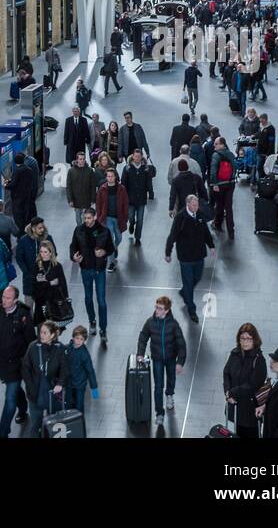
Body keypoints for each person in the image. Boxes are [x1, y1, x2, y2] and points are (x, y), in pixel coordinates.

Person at [0, 287, 36, 437]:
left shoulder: (23, 315)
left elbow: (31, 341)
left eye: (8, 298)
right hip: (2, 362)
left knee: (10, 399)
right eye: (3, 297)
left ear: (15, 300)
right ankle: (23, 408)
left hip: (17, 364)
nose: (4, 300)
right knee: (15, 390)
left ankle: (3, 432)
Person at [164, 192, 215, 323]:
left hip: (199, 254)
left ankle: (184, 292)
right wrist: (168, 252)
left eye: (197, 204)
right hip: (185, 257)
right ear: (188, 204)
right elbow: (172, 235)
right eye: (194, 204)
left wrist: (211, 246)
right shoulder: (180, 217)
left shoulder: (200, 215)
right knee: (188, 282)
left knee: (197, 277)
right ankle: (191, 310)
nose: (196, 207)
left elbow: (205, 231)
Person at [136, 296, 187, 426]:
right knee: (158, 386)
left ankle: (169, 394)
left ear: (167, 310)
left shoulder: (173, 325)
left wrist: (180, 362)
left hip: (171, 358)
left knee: (171, 379)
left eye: (160, 308)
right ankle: (159, 413)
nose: (157, 310)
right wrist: (140, 354)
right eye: (156, 307)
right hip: (157, 359)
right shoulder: (150, 322)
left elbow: (181, 344)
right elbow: (143, 337)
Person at [69, 207, 113, 346]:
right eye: (85, 218)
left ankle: (103, 329)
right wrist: (74, 257)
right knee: (88, 297)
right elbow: (73, 247)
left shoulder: (104, 231)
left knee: (101, 301)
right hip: (86, 269)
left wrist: (104, 252)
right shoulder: (79, 230)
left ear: (95, 217)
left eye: (89, 218)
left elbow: (111, 248)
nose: (86, 221)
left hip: (99, 270)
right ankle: (92, 320)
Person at [21, 319, 67, 435]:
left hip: (53, 393)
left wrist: (60, 383)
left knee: (54, 424)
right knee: (35, 423)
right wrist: (30, 387)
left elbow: (64, 369)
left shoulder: (60, 348)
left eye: (45, 332)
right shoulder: (33, 347)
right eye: (41, 332)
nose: (41, 335)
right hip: (35, 392)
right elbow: (25, 369)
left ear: (52, 335)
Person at [223, 323, 268, 437]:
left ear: (255, 340)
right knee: (237, 432)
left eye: (249, 338)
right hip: (236, 405)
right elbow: (226, 373)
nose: (245, 342)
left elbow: (253, 384)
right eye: (242, 338)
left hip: (250, 410)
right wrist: (227, 391)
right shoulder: (235, 353)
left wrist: (233, 392)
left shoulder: (259, 360)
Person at [94, 167, 128, 271]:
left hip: (118, 218)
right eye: (108, 176)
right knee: (111, 239)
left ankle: (112, 249)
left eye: (111, 176)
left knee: (119, 238)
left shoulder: (121, 189)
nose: (110, 178)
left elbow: (125, 204)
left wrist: (125, 217)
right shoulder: (102, 189)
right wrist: (99, 217)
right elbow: (98, 203)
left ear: (115, 177)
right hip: (107, 218)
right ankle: (111, 263)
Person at [31, 239, 70, 327]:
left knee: (53, 330)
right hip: (40, 302)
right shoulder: (36, 266)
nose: (43, 254)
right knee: (41, 329)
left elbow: (62, 284)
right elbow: (34, 285)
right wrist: (50, 283)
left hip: (54, 303)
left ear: (51, 252)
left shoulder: (57, 266)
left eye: (45, 252)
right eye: (41, 252)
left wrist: (65, 299)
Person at [121, 148, 154, 246]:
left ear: (141, 157)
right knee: (131, 217)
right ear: (133, 156)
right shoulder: (127, 168)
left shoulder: (146, 169)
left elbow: (149, 182)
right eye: (135, 156)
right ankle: (131, 224)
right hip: (130, 199)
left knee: (140, 219)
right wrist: (123, 195)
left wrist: (151, 193)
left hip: (141, 199)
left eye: (139, 157)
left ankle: (138, 237)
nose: (137, 158)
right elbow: (123, 183)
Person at [64, 324, 99, 414]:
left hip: (80, 384)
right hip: (69, 382)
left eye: (81, 339)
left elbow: (90, 370)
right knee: (67, 404)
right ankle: (69, 421)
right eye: (77, 338)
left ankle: (80, 422)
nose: (79, 341)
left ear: (84, 340)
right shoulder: (68, 348)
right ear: (73, 338)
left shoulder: (84, 354)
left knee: (79, 405)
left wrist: (94, 387)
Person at [209, 135, 238, 239]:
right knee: (229, 208)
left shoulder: (216, 155)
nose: (214, 145)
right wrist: (232, 179)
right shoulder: (230, 154)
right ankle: (231, 231)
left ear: (222, 144)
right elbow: (236, 166)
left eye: (216, 144)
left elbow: (213, 171)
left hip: (219, 184)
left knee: (220, 205)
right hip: (230, 184)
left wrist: (215, 184)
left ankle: (218, 224)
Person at [15, 217, 50, 300]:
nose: (42, 230)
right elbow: (19, 258)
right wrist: (26, 271)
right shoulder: (24, 241)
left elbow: (54, 253)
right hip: (29, 280)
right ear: (33, 229)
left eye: (43, 227)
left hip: (45, 278)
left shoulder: (47, 239)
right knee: (28, 305)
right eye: (39, 228)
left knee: (43, 308)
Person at [5, 148, 38, 232]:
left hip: (18, 197)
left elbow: (14, 184)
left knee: (18, 216)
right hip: (27, 195)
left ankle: (20, 232)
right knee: (26, 214)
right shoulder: (29, 170)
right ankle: (27, 228)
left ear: (15, 162)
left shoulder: (17, 171)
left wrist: (6, 185)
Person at [66, 151, 96, 226]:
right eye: (80, 159)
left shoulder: (90, 171)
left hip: (86, 199)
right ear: (77, 160)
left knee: (85, 217)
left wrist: (93, 199)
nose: (82, 161)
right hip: (76, 200)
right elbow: (69, 186)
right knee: (78, 217)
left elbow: (93, 186)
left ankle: (84, 231)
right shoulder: (71, 171)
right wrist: (70, 200)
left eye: (83, 159)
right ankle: (80, 230)